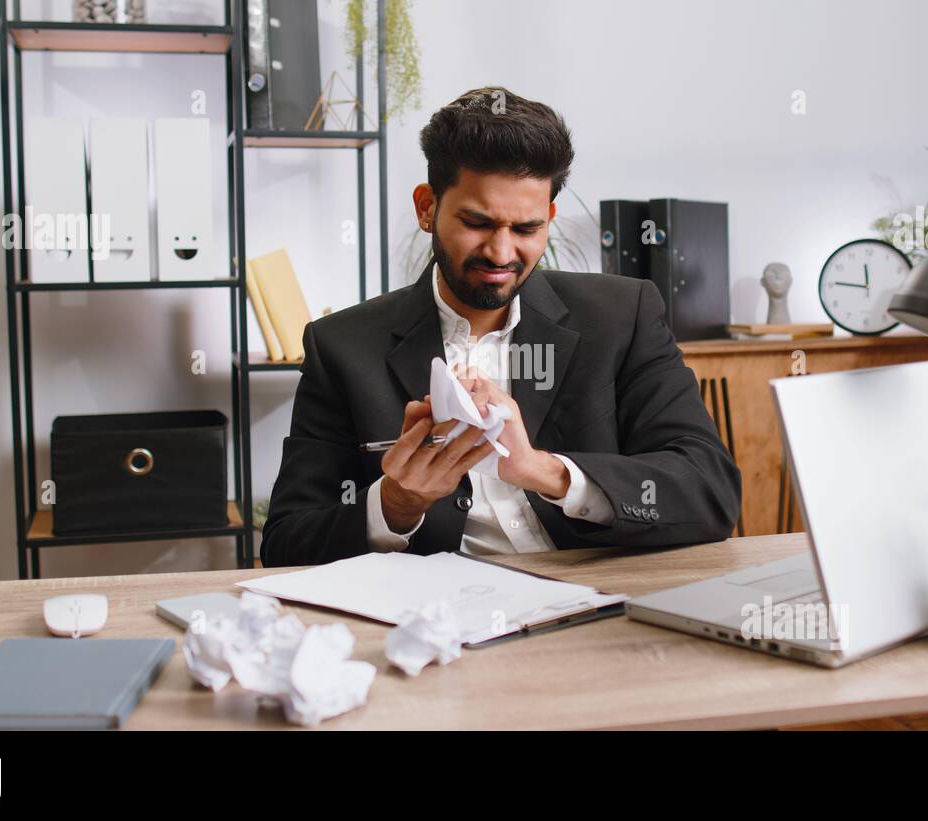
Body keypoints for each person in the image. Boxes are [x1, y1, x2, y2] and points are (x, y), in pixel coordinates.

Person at [260, 86, 741, 566]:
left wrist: (543, 471)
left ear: (550, 216)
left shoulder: (623, 315)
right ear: (427, 207)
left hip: (596, 605)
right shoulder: (341, 347)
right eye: (477, 222)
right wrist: (395, 505)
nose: (501, 253)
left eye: (527, 229)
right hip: (432, 618)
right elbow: (286, 543)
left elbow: (710, 490)